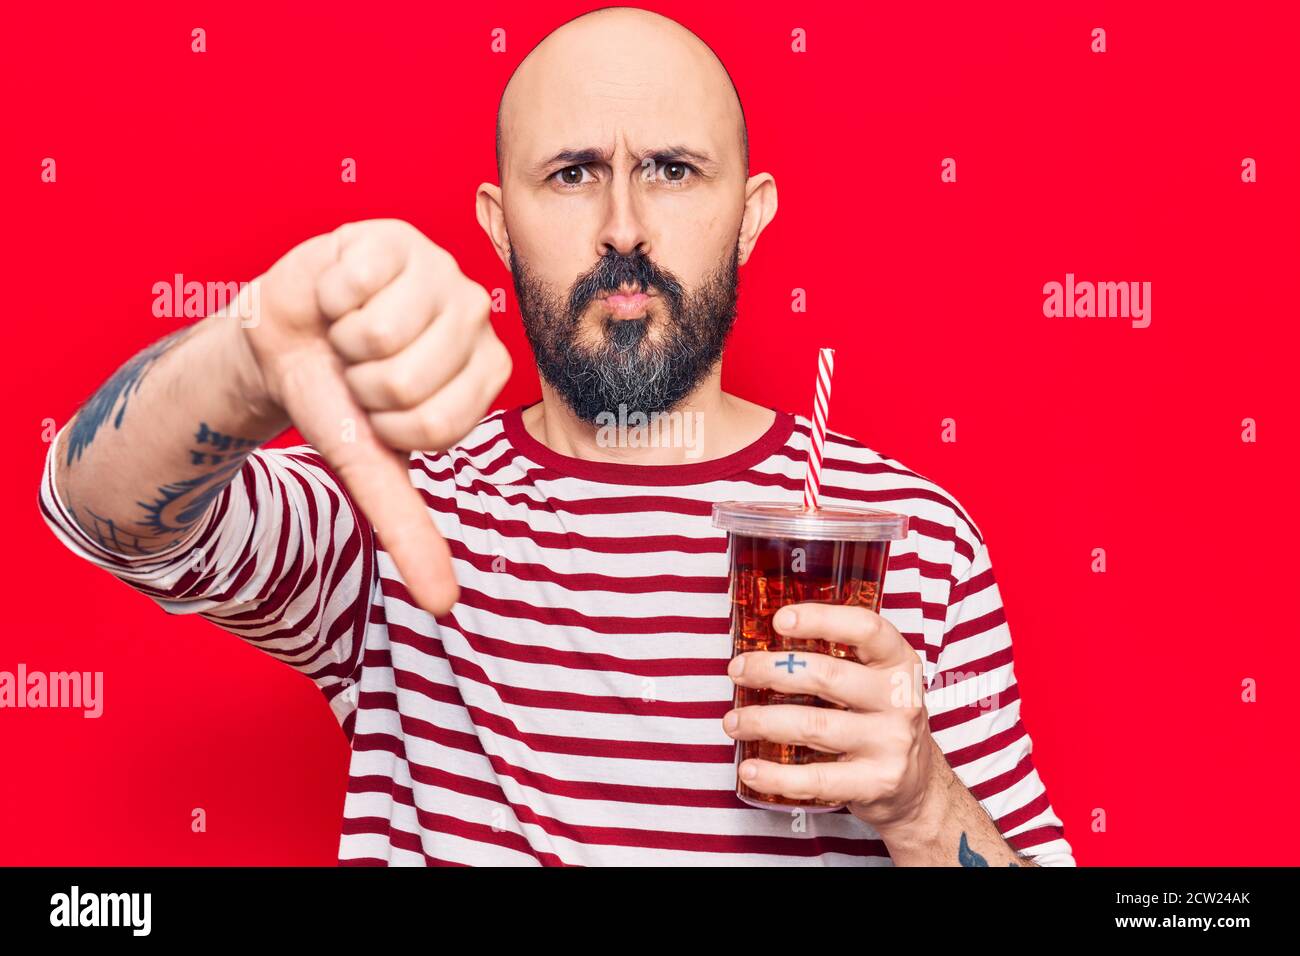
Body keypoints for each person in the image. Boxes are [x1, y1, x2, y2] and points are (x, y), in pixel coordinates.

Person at [38, 6, 1073, 866]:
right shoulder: (402, 512)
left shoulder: (912, 542)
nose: (623, 227)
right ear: (499, 222)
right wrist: (249, 353)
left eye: (672, 169)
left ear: (751, 215)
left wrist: (922, 805)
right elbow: (97, 511)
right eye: (573, 173)